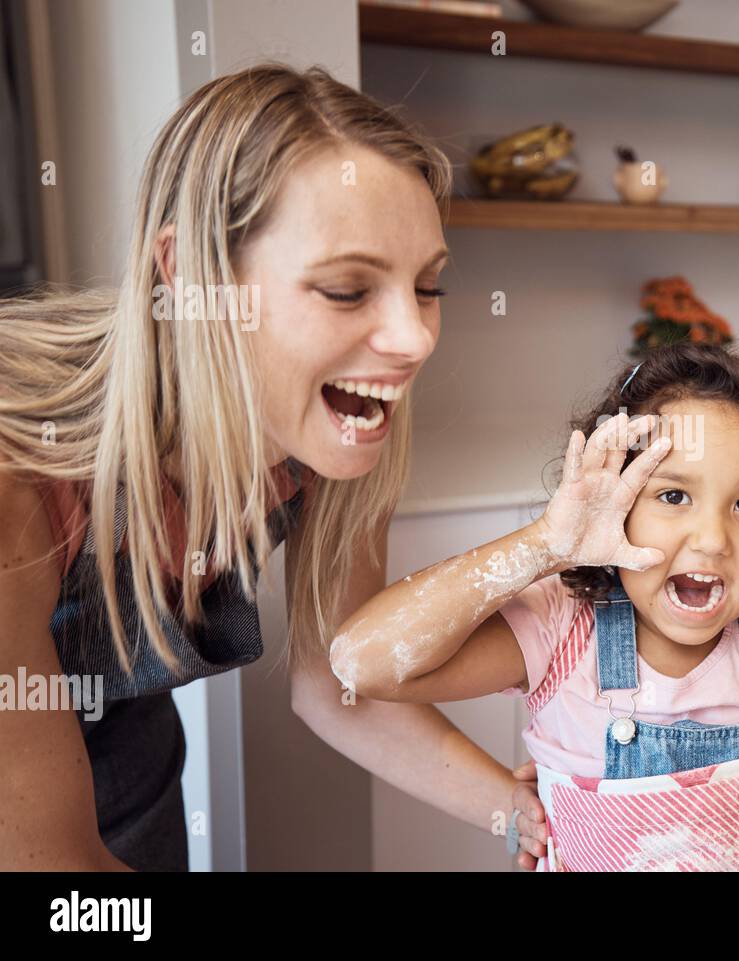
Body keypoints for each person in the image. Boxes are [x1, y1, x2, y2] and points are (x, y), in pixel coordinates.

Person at [0, 64, 546, 870]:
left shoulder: (328, 428)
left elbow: (338, 684)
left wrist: (524, 815)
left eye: (427, 286)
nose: (414, 338)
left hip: (127, 753)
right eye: (348, 289)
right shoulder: (19, 475)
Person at [329, 343, 739, 870]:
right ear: (616, 503)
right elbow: (363, 664)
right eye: (673, 495)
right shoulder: (560, 627)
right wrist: (541, 545)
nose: (711, 539)